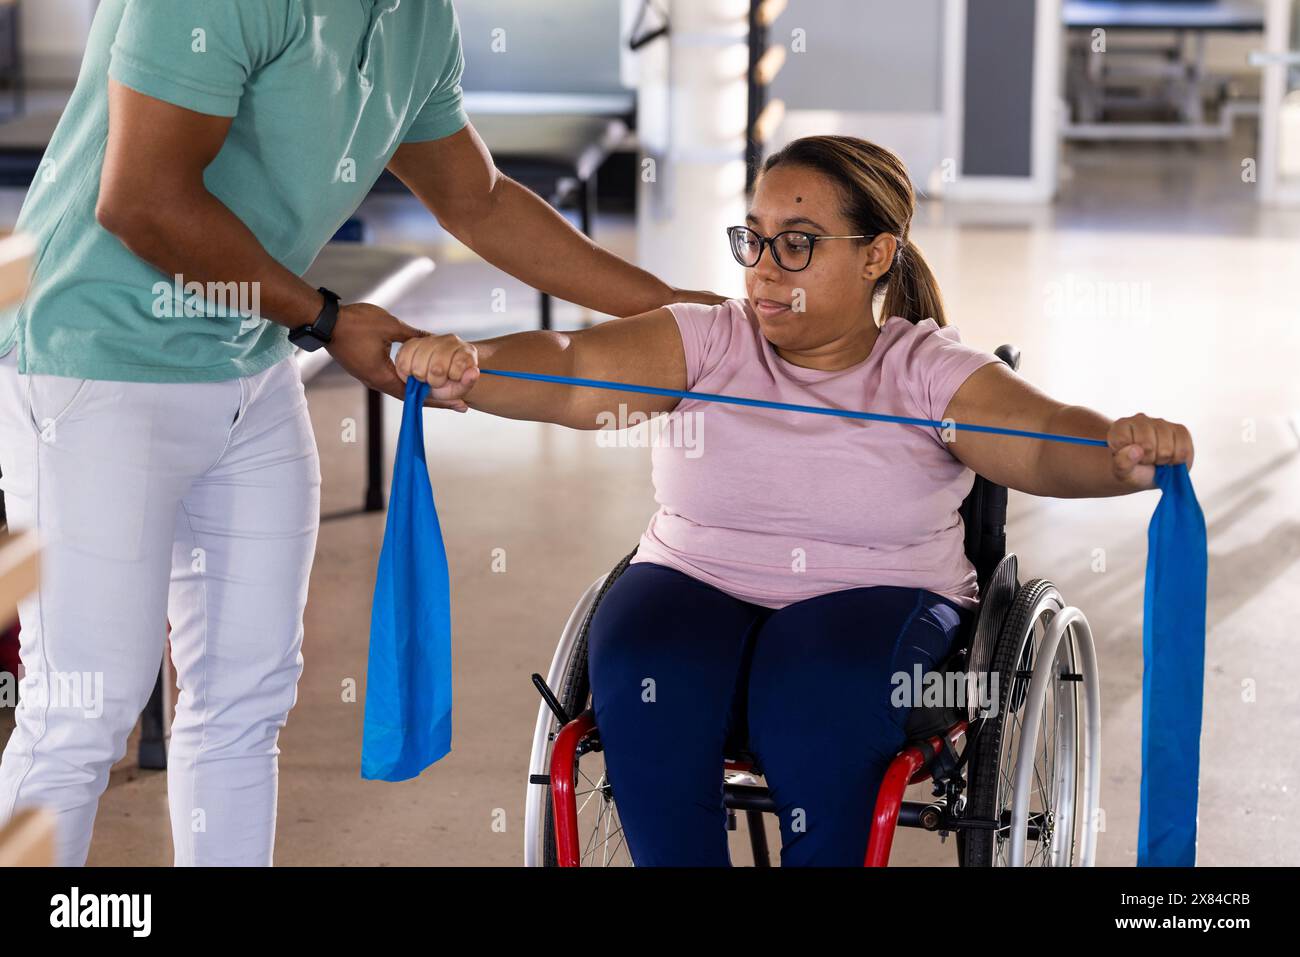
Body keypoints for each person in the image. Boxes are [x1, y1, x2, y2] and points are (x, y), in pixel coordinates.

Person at [0, 0, 720, 867]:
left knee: (246, 699)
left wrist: (681, 312)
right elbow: (141, 200)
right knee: (84, 710)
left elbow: (478, 198)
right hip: (95, 364)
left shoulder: (417, 17)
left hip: (247, 365)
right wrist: (325, 317)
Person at [394, 134, 1195, 866]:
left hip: (875, 594)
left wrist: (1117, 452)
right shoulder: (710, 336)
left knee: (814, 685)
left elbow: (1043, 436)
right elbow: (574, 368)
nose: (764, 268)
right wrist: (476, 364)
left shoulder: (922, 368)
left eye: (797, 244)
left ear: (876, 254)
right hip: (694, 576)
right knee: (645, 664)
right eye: (754, 238)